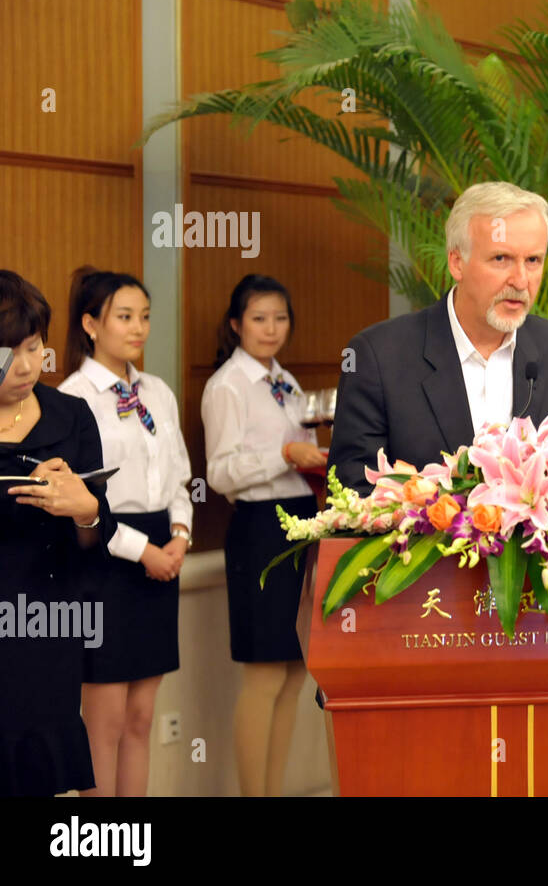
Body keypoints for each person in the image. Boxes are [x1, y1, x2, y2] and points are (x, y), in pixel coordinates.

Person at [329, 181, 548, 494]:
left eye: (533, 260)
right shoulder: (379, 357)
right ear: (457, 263)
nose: (521, 280)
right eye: (501, 259)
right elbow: (353, 496)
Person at [58, 267, 193, 797]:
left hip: (163, 550)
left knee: (141, 719)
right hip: (104, 557)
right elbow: (80, 501)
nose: (138, 328)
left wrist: (180, 534)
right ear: (90, 323)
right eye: (124, 317)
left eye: (145, 317)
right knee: (104, 724)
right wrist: (145, 553)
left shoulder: (157, 390)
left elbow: (180, 475)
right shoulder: (72, 397)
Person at [201, 275, 325, 797]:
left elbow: (305, 448)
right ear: (235, 325)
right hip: (259, 529)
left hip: (301, 521)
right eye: (259, 318)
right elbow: (219, 473)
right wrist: (282, 455)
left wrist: (315, 460)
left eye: (280, 318)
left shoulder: (287, 382)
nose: (271, 329)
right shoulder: (227, 385)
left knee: (296, 674)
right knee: (265, 675)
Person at [0, 270, 115, 796]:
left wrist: (85, 511)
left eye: (33, 346)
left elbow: (95, 537)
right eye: (7, 352)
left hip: (45, 623)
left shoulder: (71, 415)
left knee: (39, 771)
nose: (25, 365)